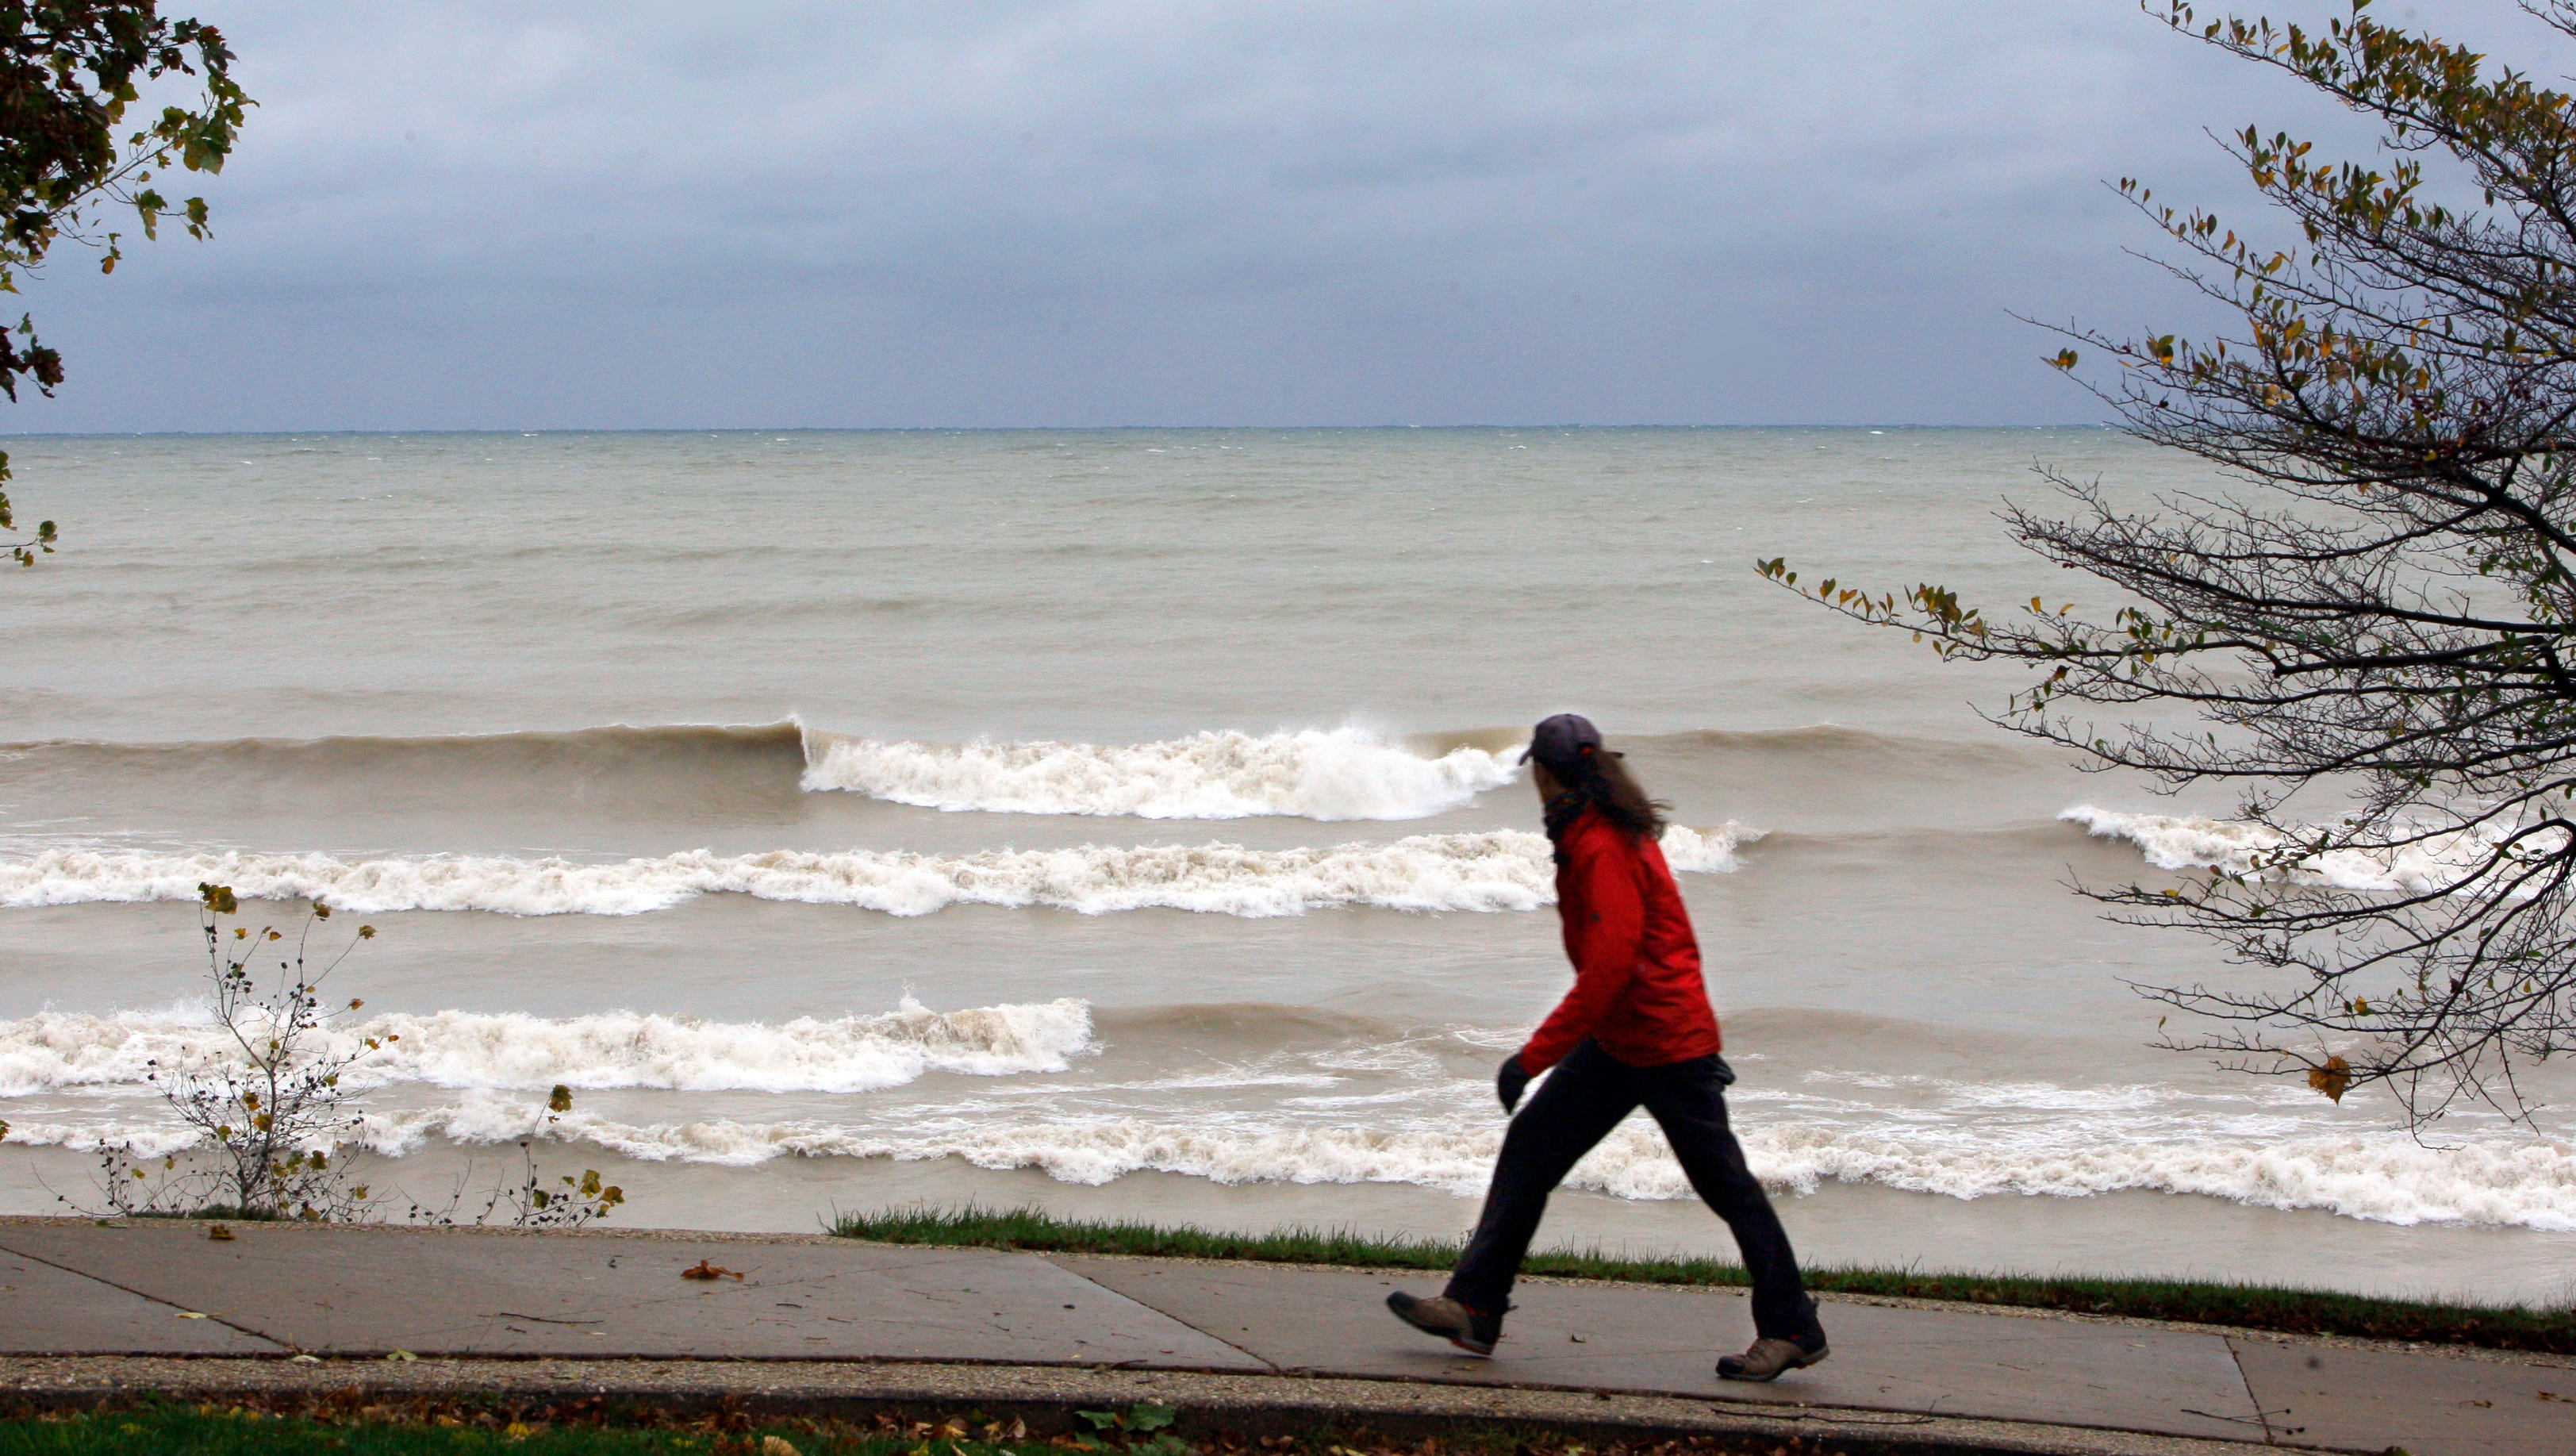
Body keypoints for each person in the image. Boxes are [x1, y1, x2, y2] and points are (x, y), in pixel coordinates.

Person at [1384, 713, 1829, 1382]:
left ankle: (1791, 1325)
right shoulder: (1594, 829)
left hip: (1666, 1040)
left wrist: (1531, 1057)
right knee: (1531, 1148)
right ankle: (1473, 1305)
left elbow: (1610, 968)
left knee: (1728, 1188)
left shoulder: (1598, 844)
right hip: (1625, 1039)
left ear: (1545, 773)